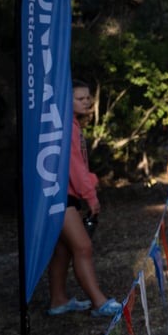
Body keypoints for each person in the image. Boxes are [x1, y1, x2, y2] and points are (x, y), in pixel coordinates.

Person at [46, 80, 122, 318]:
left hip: (63, 194)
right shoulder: (66, 126)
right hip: (60, 196)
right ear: (66, 101)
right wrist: (90, 195)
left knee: (63, 250)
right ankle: (99, 302)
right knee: (83, 246)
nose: (87, 101)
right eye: (80, 98)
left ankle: (58, 300)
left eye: (88, 97)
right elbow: (73, 166)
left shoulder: (71, 124)